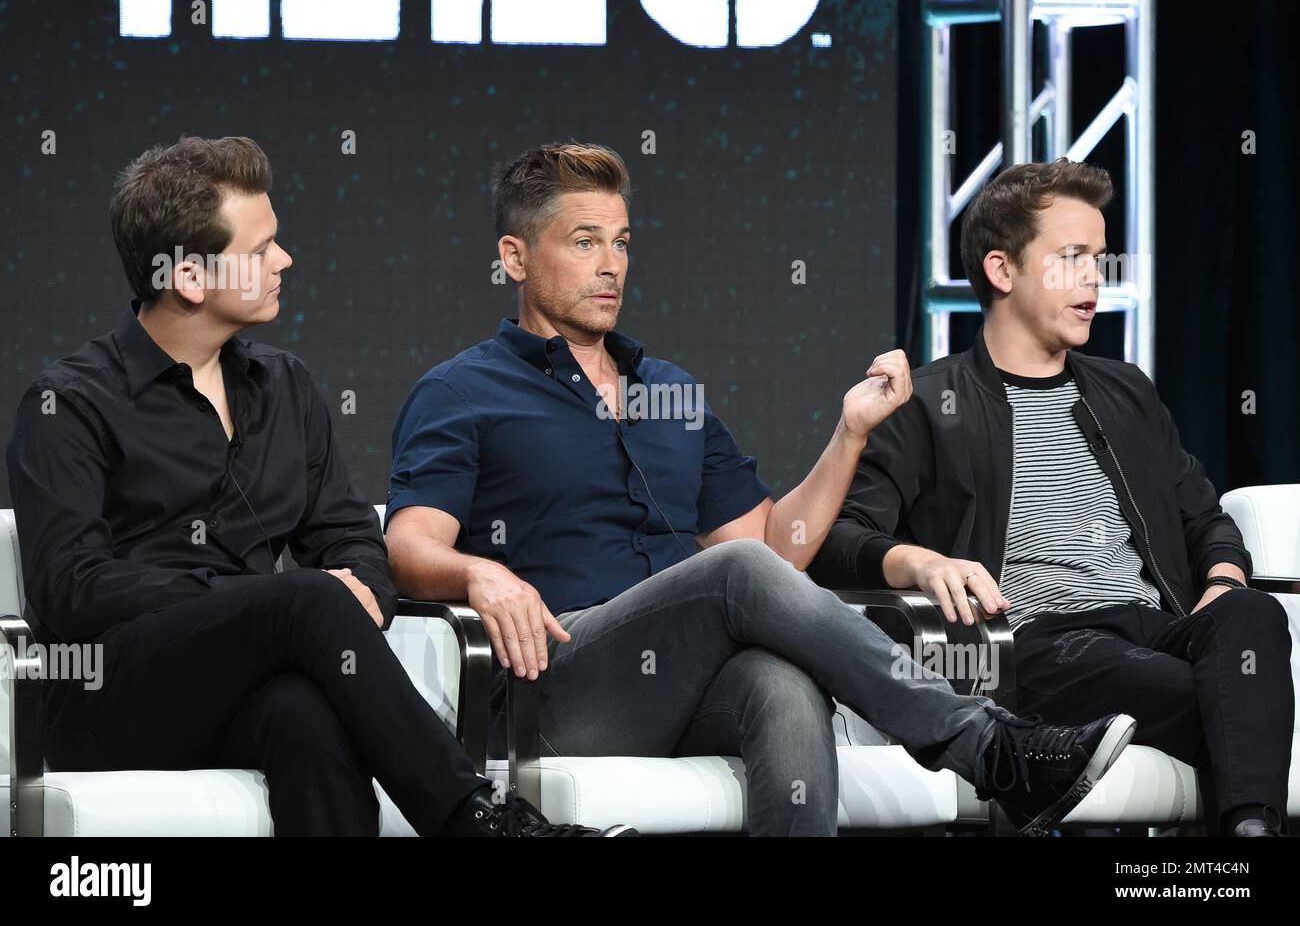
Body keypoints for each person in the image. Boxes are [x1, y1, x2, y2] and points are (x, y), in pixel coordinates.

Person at [385, 141, 1137, 837]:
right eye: (584, 242)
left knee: (780, 680)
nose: (611, 264)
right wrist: (482, 571)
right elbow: (410, 544)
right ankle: (987, 743)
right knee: (732, 577)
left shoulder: (667, 390)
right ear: (515, 256)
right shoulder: (462, 390)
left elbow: (778, 549)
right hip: (553, 689)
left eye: (621, 242)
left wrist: (850, 434)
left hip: (677, 686)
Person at [6, 135, 631, 837]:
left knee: (304, 714)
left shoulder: (285, 387)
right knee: (305, 599)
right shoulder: (70, 402)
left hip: (245, 684)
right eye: (261, 249)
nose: (284, 260)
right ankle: (480, 823)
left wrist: (339, 593)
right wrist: (263, 604)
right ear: (187, 276)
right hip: (106, 700)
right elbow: (71, 588)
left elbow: (353, 541)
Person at [809, 158, 1293, 837]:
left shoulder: (1126, 392)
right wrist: (921, 563)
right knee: (1225, 695)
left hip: (1153, 627)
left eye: (1098, 258)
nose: (1095, 277)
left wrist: (1222, 578)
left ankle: (1249, 837)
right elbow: (833, 540)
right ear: (1003, 270)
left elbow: (1205, 518)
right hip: (1031, 644)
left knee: (1252, 615)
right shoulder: (927, 403)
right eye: (1071, 258)